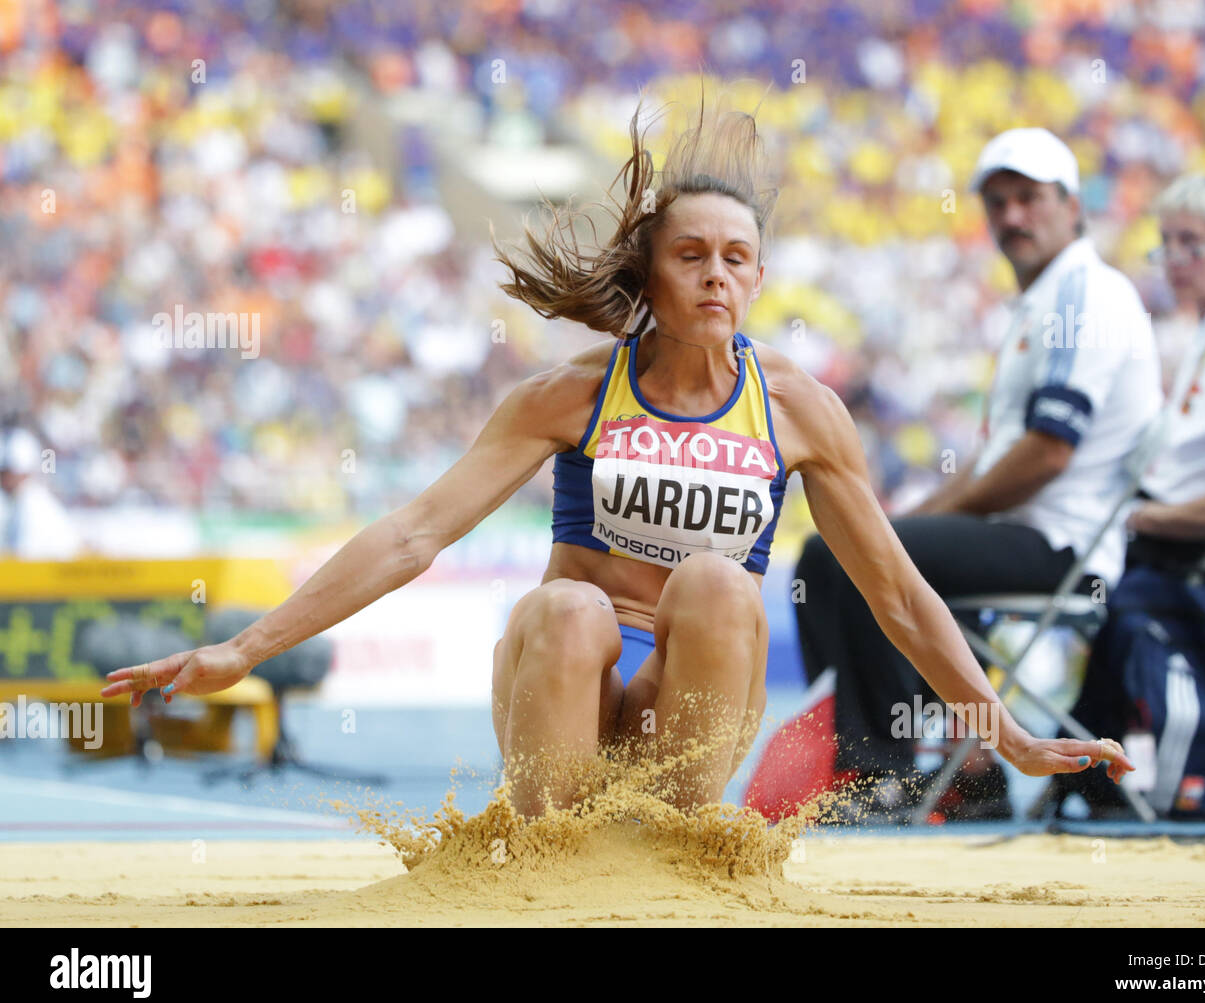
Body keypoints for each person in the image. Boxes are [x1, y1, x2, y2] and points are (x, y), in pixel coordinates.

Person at [102, 100, 1133, 818]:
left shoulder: (801, 413)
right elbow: (414, 533)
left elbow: (899, 595)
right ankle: (552, 840)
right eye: (691, 256)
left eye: (736, 260)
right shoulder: (570, 394)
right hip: (568, 687)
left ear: (761, 277)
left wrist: (1005, 735)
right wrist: (249, 648)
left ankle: (671, 845)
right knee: (564, 606)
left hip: (689, 702)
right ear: (650, 271)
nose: (716, 277)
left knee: (723, 589)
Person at [790, 127, 1160, 820]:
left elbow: (1047, 456)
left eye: (1029, 198)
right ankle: (972, 771)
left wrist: (898, 531)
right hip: (1033, 534)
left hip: (1062, 546)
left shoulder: (1082, 296)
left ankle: (881, 775)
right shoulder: (1050, 299)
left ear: (1073, 205)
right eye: (997, 201)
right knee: (863, 545)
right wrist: (905, 523)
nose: (1012, 216)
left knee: (843, 554)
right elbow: (1005, 467)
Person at [1048, 173, 1205, 819]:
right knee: (1114, 647)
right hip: (1171, 549)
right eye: (1167, 245)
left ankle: (1172, 781)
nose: (1177, 261)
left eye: (1194, 243)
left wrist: (1135, 516)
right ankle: (1096, 774)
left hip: (1193, 558)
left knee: (1125, 631)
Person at [0, 427, 82, 560]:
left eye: (5, 472)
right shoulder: (23, 500)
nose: (2, 479)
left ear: (21, 473)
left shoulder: (32, 503)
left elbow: (23, 559)